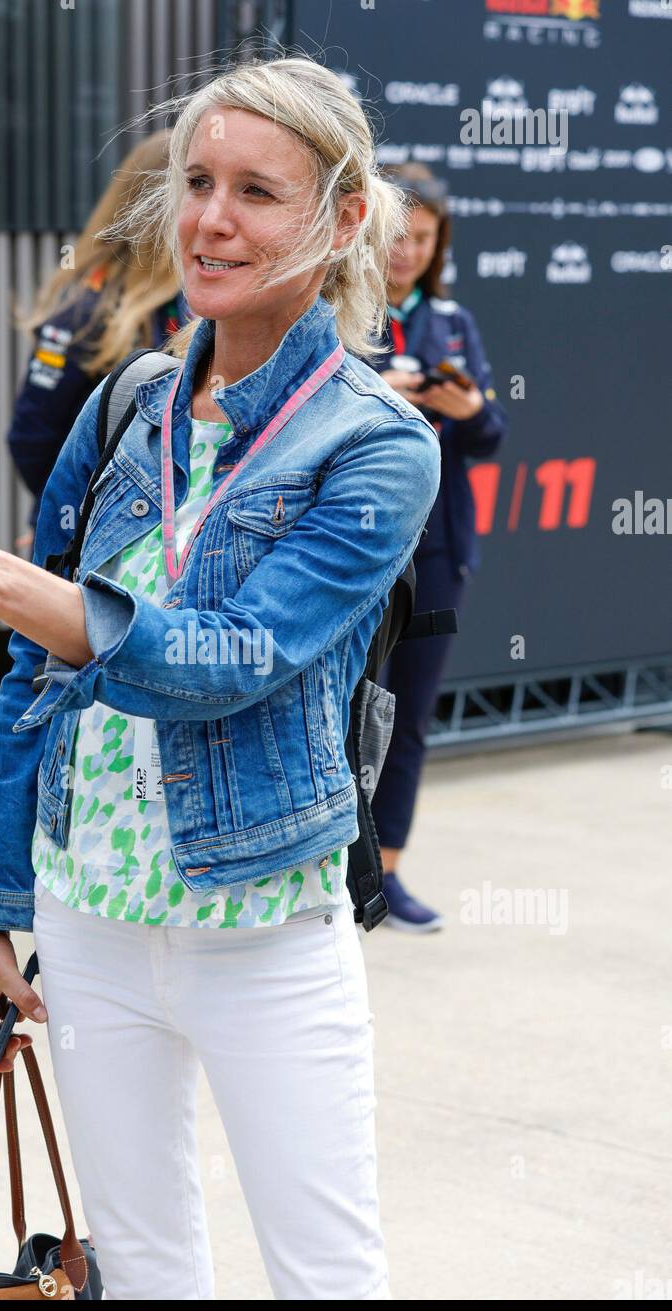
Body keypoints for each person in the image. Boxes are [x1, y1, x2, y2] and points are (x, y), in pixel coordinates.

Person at [0, 56, 441, 1300]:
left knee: (327, 1277)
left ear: (343, 215)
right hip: (87, 916)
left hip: (262, 929)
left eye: (257, 191)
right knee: (142, 1270)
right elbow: (39, 679)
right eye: (198, 181)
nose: (209, 218)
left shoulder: (373, 441)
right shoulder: (132, 396)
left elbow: (237, 661)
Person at [362, 164, 508, 934]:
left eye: (424, 238)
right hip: (355, 541)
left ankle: (385, 874)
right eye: (397, 236)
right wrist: (387, 390)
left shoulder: (452, 321)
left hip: (438, 550)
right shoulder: (337, 312)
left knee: (410, 714)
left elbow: (488, 437)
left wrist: (466, 407)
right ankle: (331, 864)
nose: (409, 252)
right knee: (341, 706)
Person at [8, 129, 192, 547]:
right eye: (197, 186)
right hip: (95, 541)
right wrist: (66, 513)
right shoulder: (86, 314)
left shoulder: (192, 302)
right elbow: (31, 436)